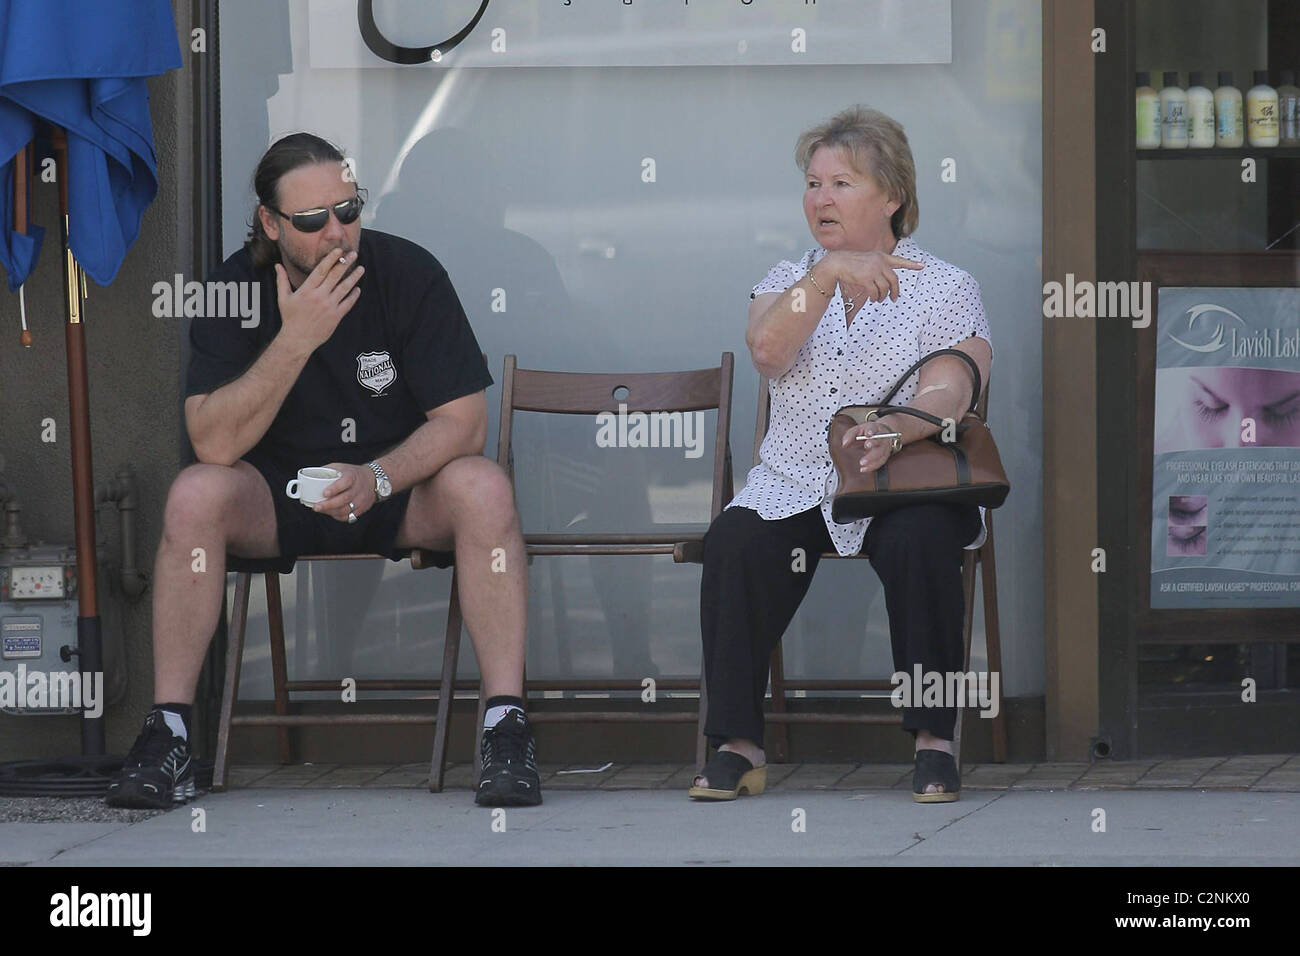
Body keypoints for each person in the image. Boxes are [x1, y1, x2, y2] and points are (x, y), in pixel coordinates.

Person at [106, 133, 541, 810]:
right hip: (274, 496)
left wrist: (379, 477)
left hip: (395, 487)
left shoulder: (406, 272)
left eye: (348, 210)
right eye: (312, 221)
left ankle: (505, 725)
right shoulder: (234, 288)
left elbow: (464, 422)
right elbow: (212, 442)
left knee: (484, 487)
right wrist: (297, 338)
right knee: (194, 495)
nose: (336, 232)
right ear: (271, 224)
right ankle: (168, 731)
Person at [692, 106, 994, 804]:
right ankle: (737, 743)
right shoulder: (789, 277)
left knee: (922, 541)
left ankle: (934, 739)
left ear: (892, 196)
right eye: (813, 183)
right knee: (735, 541)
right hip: (797, 480)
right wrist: (825, 277)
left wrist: (901, 428)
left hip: (903, 480)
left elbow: (956, 384)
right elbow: (768, 352)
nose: (821, 199)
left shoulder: (946, 285)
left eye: (842, 183)